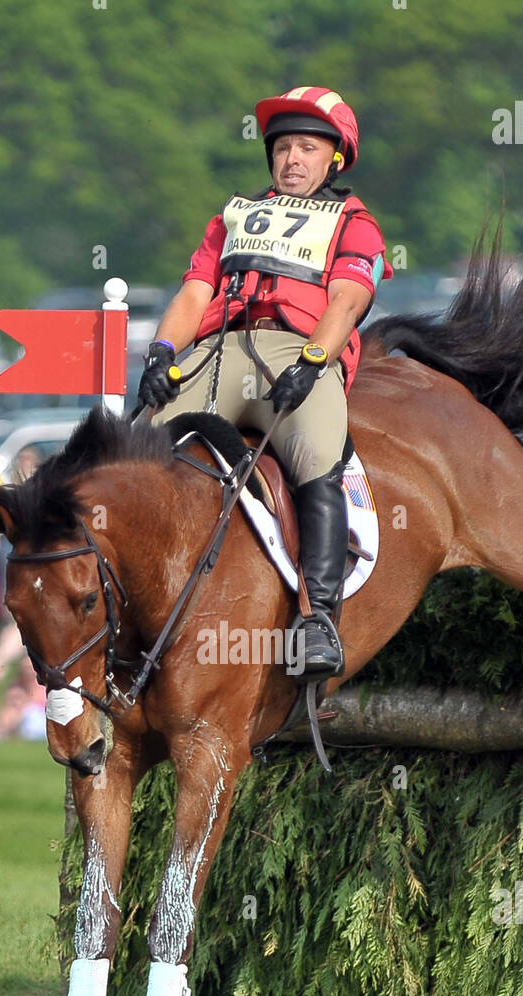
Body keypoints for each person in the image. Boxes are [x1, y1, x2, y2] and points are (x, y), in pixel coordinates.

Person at [140, 86, 392, 680]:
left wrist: (313, 360)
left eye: (307, 147)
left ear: (334, 158)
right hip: (219, 351)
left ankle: (318, 619)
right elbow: (195, 292)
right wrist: (162, 351)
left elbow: (349, 296)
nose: (292, 159)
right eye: (282, 148)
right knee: (145, 449)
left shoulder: (354, 223)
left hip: (296, 355)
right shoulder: (232, 215)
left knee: (315, 459)